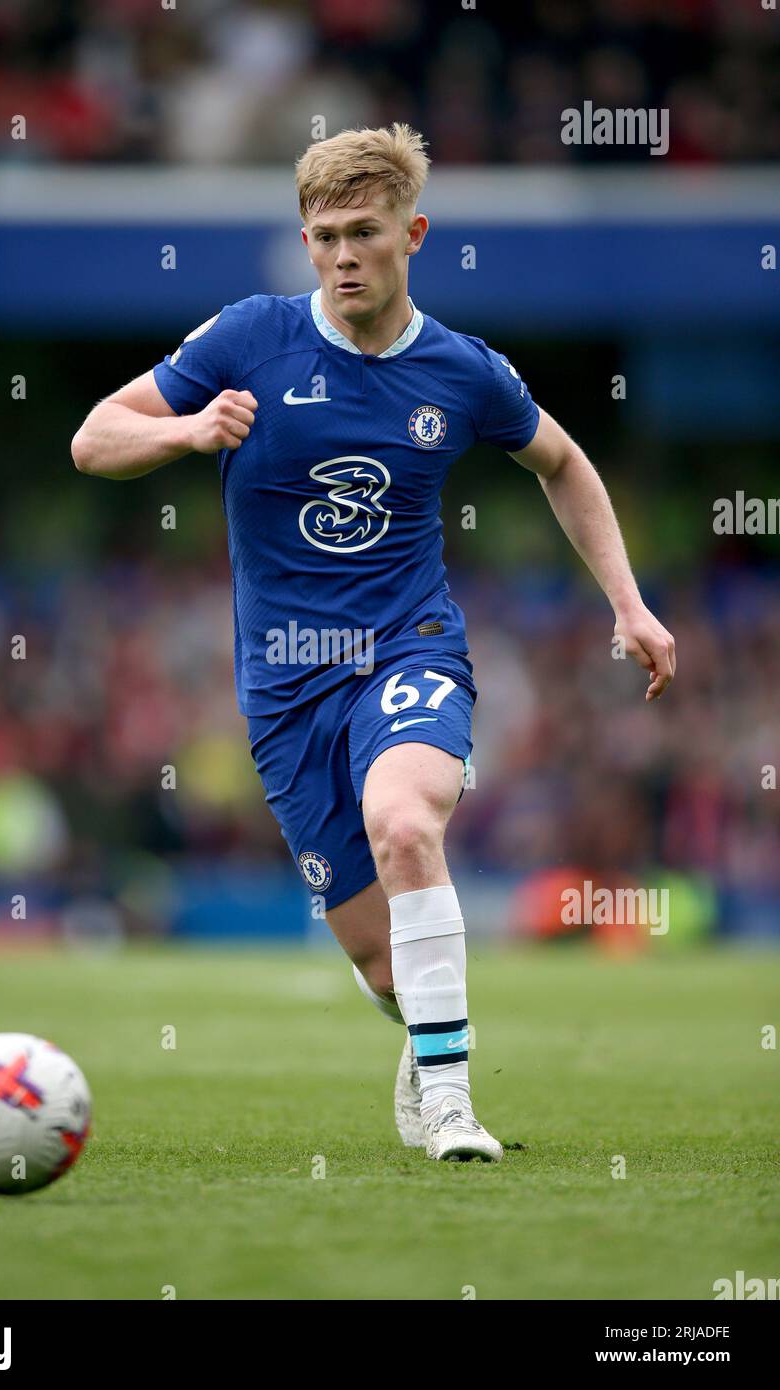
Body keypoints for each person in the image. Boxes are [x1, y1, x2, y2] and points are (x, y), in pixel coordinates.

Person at [72, 124, 676, 1162]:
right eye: (321, 236)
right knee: (388, 970)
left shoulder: (462, 371)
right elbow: (92, 439)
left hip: (408, 649)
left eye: (363, 232)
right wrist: (184, 431)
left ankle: (450, 1104)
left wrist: (628, 604)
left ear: (413, 232)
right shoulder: (246, 338)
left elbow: (563, 462)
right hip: (283, 689)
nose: (341, 255)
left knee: (404, 823)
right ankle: (426, 1041)